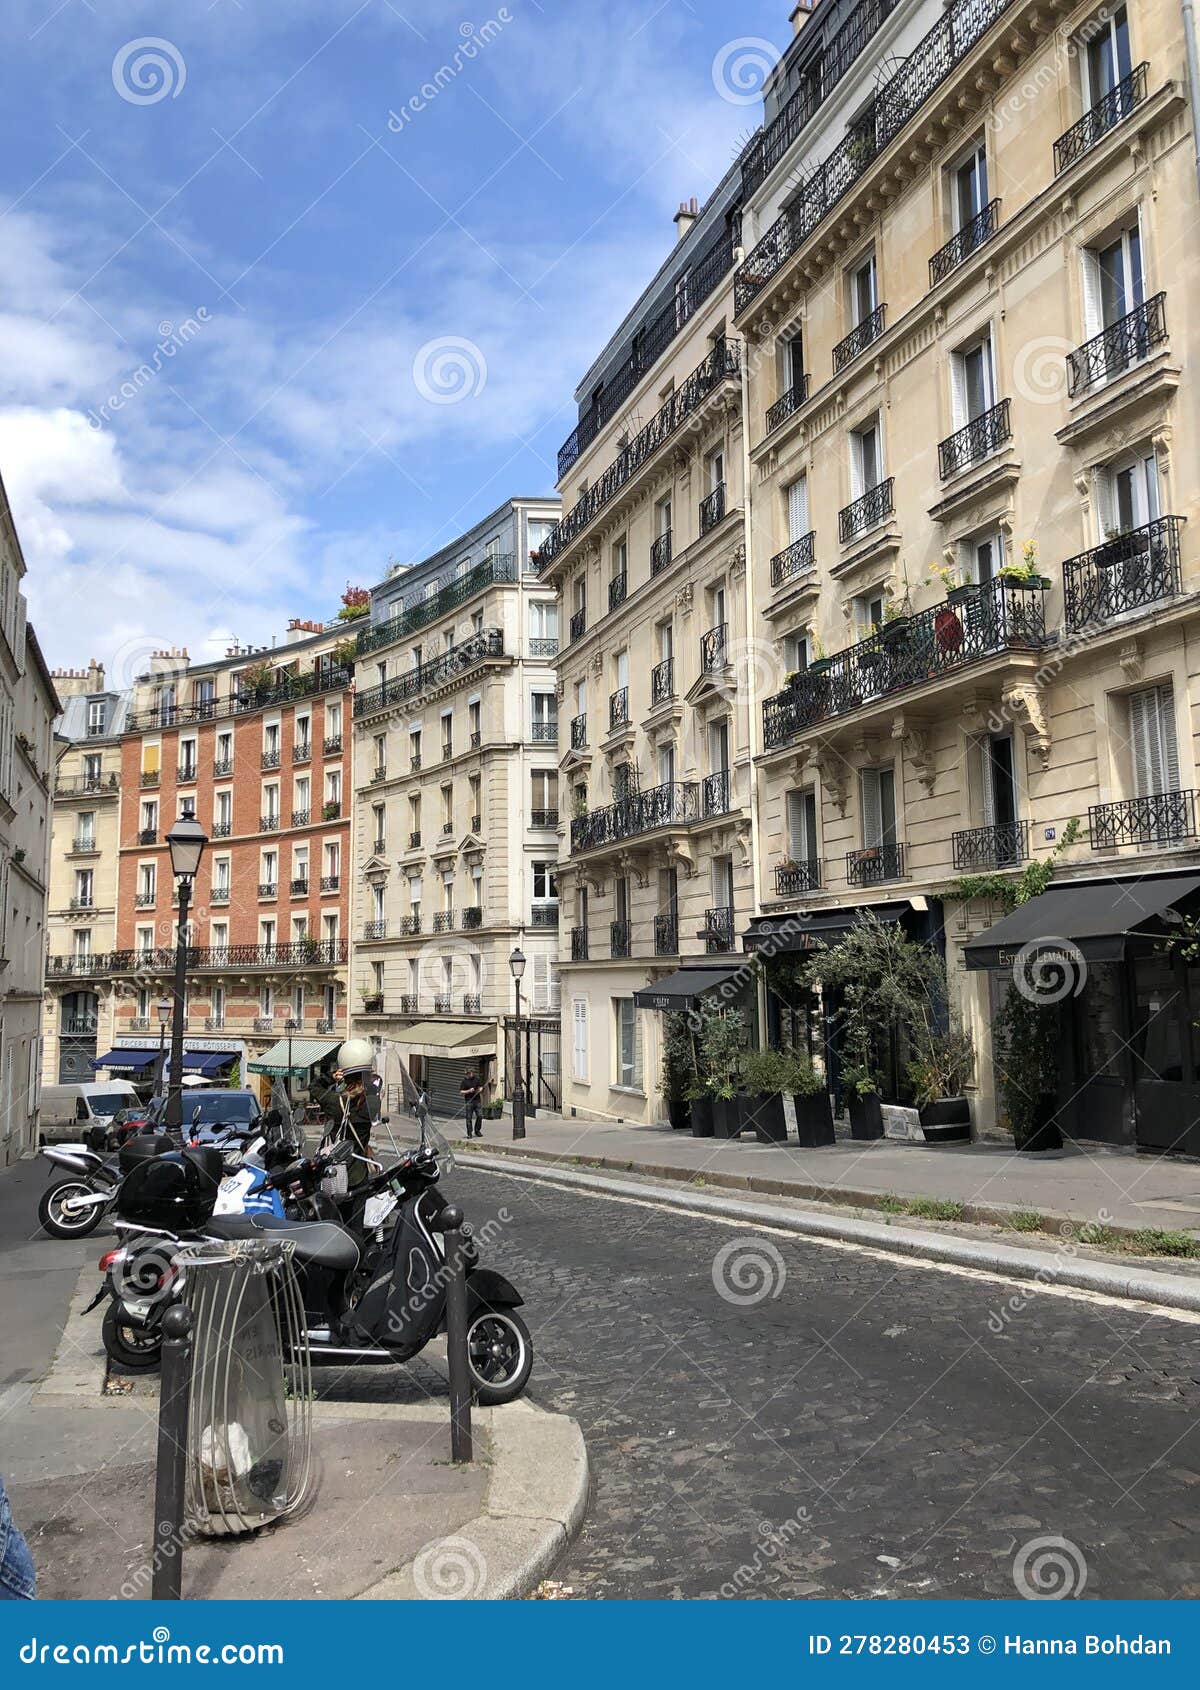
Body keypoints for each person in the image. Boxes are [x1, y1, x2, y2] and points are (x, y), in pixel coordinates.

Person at [460, 1066, 483, 1138]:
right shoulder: (464, 1081)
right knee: (469, 1118)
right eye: (470, 1073)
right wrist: (469, 1091)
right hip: (469, 1101)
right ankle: (469, 1133)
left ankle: (477, 1130)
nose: (472, 1074)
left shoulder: (476, 1079)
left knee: (480, 1115)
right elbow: (461, 1092)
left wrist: (480, 1089)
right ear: (467, 1073)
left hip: (477, 1100)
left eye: (472, 1072)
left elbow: (480, 1086)